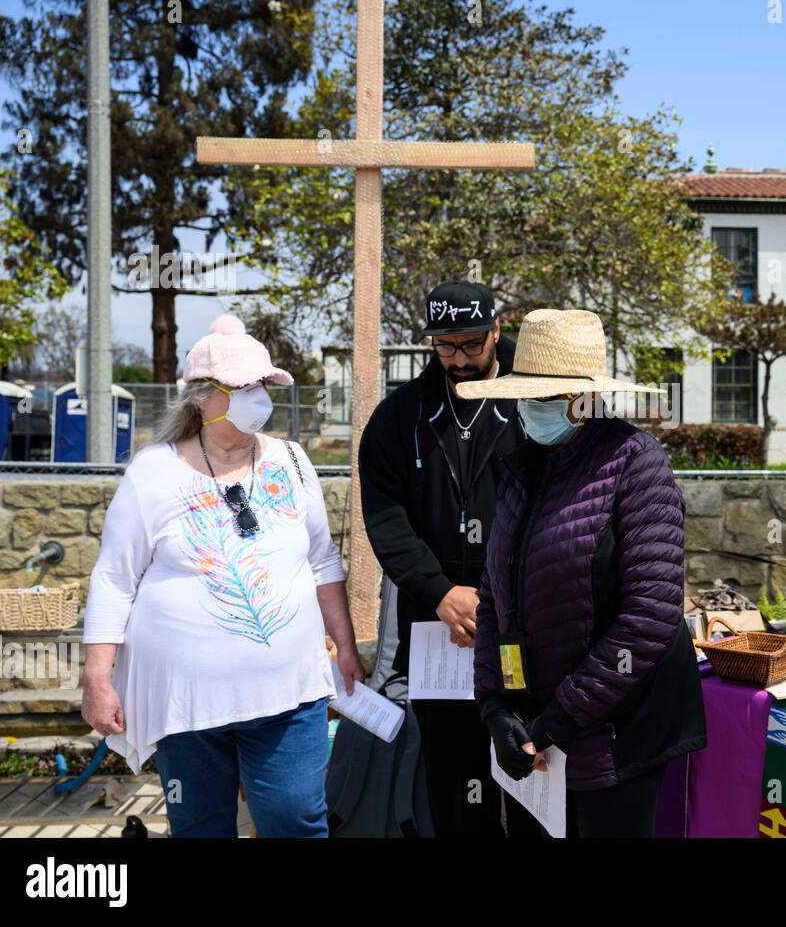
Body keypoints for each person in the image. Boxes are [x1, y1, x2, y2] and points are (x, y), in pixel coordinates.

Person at [82, 313, 363, 837]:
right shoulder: (153, 472)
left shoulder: (293, 461)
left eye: (263, 385)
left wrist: (344, 646)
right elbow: (114, 579)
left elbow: (322, 560)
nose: (261, 397)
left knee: (295, 818)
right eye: (246, 387)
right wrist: (98, 679)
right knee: (201, 825)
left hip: (291, 695)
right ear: (203, 397)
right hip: (186, 705)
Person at [458, 308, 706, 838]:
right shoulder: (524, 466)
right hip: (531, 734)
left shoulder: (635, 462)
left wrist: (554, 722)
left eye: (542, 398)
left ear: (583, 398)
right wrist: (496, 707)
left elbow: (650, 618)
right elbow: (491, 599)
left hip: (614, 735)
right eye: (522, 396)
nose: (528, 409)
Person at [360, 281, 539, 838]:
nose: (458, 360)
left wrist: (506, 592)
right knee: (455, 776)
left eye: (470, 345)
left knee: (535, 762)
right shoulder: (400, 417)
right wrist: (438, 590)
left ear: (496, 331)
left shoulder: (538, 399)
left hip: (525, 621)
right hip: (440, 629)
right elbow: (386, 518)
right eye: (445, 347)